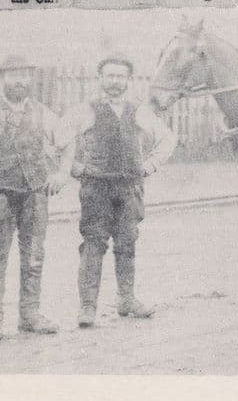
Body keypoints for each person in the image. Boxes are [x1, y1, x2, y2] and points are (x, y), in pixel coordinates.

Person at [59, 54, 177, 328]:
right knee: (93, 245)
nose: (115, 81)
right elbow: (55, 139)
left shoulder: (139, 111)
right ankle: (87, 307)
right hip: (96, 189)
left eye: (120, 76)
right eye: (109, 75)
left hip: (129, 189)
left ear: (128, 80)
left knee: (127, 243)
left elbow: (167, 139)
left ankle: (127, 300)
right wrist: (73, 167)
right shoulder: (83, 110)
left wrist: (149, 166)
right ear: (100, 79)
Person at [0, 55, 70, 341]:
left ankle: (30, 315)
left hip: (35, 196)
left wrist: (62, 174)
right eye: (13, 75)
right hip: (0, 197)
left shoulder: (42, 112)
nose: (19, 81)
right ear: (1, 79)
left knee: (34, 255)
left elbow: (68, 141)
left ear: (31, 79)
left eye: (24, 75)